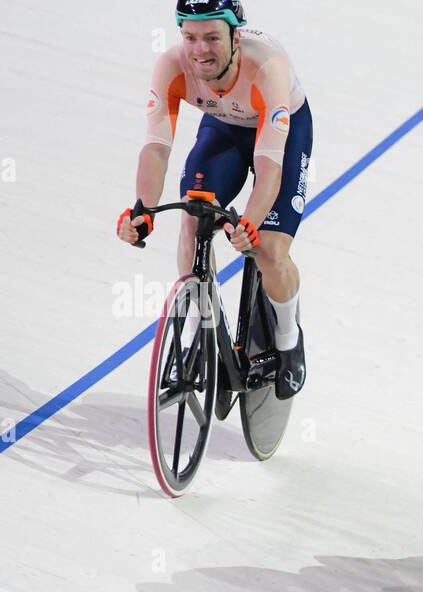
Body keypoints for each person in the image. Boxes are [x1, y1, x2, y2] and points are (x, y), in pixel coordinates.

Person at [116, 0, 312, 400]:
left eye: (211, 38)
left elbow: (269, 167)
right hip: (224, 129)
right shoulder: (171, 66)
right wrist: (142, 210)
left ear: (235, 36)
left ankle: (290, 339)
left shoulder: (268, 68)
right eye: (190, 37)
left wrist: (250, 224)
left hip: (281, 138)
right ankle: (200, 339)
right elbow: (156, 148)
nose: (199, 49)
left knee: (269, 250)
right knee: (192, 215)